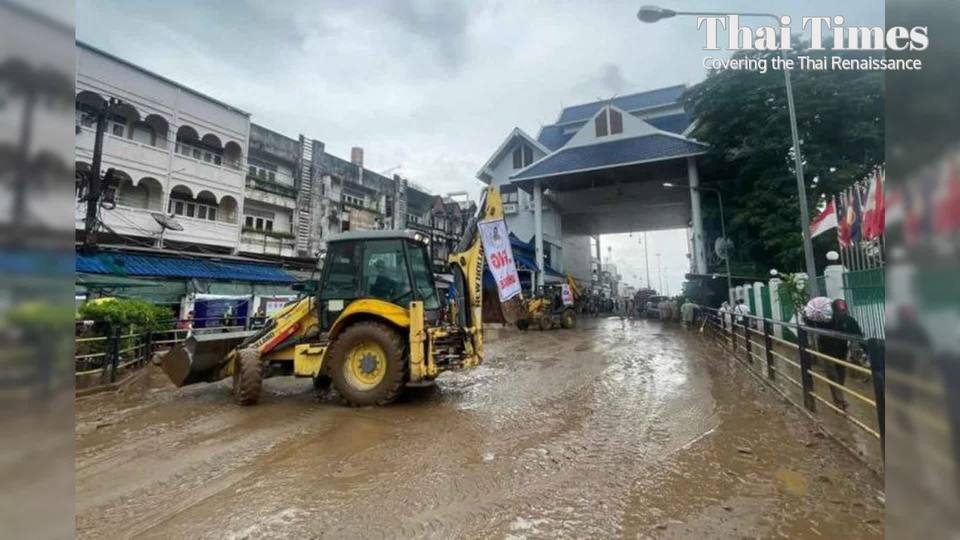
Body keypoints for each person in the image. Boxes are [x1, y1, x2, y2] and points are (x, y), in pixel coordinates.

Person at [808, 298, 863, 410]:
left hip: (841, 351)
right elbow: (810, 322)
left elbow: (859, 335)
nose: (841, 313)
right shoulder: (824, 319)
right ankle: (839, 399)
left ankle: (839, 395)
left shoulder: (849, 321)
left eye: (843, 311)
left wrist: (859, 349)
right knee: (832, 373)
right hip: (826, 351)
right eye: (839, 310)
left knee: (840, 373)